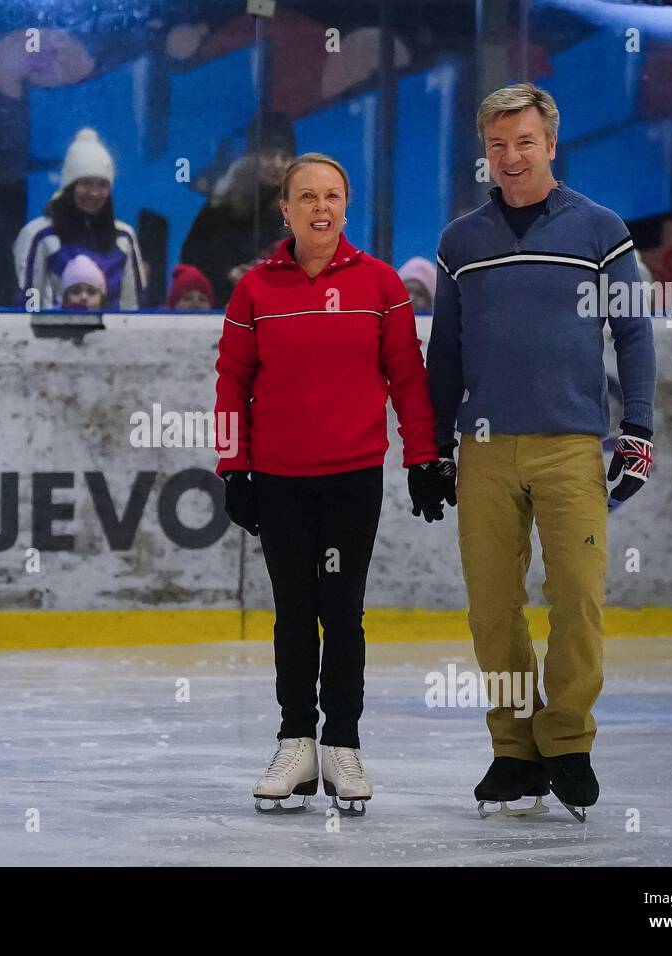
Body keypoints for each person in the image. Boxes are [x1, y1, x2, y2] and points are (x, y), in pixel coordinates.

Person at [426, 83, 656, 822]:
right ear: (484, 153)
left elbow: (634, 334)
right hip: (484, 451)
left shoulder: (601, 230)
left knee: (579, 599)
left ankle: (567, 742)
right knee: (493, 610)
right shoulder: (461, 242)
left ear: (551, 144)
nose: (511, 156)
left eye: (525, 142)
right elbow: (446, 352)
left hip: (570, 447)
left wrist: (640, 433)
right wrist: (432, 449)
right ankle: (514, 751)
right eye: (497, 145)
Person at [214, 151, 452, 814]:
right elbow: (231, 381)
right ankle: (297, 744)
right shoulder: (256, 289)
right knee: (294, 614)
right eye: (307, 197)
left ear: (347, 207)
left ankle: (342, 744)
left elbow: (407, 378)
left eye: (333, 197)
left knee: (342, 614)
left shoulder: (380, 286)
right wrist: (233, 466)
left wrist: (424, 460)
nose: (321, 208)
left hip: (352, 479)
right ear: (285, 209)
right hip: (281, 481)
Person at [12, 128, 147, 310]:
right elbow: (28, 303)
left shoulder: (124, 237)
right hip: (49, 336)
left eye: (102, 185)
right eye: (85, 183)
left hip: (113, 337)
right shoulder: (39, 234)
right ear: (69, 187)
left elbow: (133, 304)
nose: (93, 193)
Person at [181, 113, 297, 308]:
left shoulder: (301, 213)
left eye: (285, 157)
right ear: (252, 159)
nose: (277, 164)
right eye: (269, 155)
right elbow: (191, 263)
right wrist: (228, 275)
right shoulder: (220, 205)